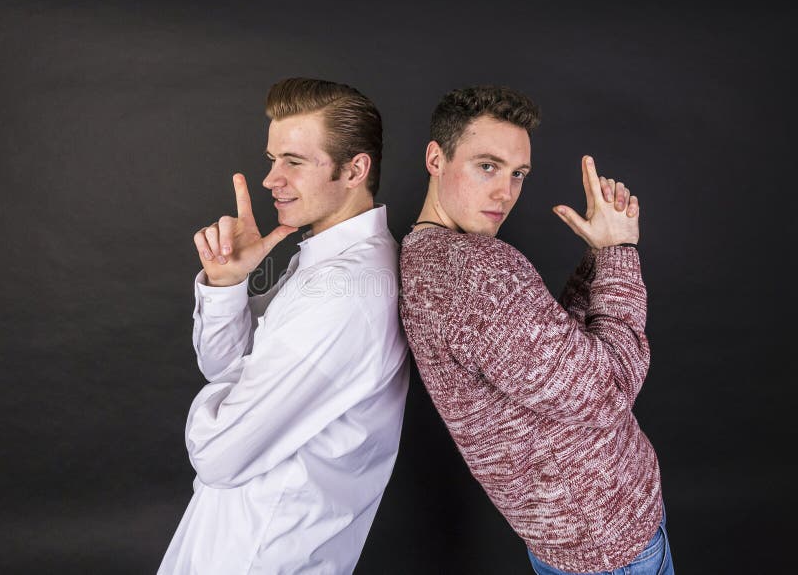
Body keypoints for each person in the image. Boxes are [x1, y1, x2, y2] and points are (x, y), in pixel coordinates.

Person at [398, 86, 674, 574]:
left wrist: (597, 258)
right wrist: (619, 252)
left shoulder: (426, 255)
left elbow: (551, 350)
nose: (505, 192)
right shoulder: (475, 270)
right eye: (487, 166)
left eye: (517, 174)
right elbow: (606, 390)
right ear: (436, 158)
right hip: (609, 543)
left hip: (573, 535)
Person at [159, 78, 410, 574]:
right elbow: (225, 364)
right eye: (272, 160)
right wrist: (226, 283)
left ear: (355, 169)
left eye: (293, 162)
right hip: (234, 535)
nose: (272, 180)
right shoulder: (323, 262)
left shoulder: (347, 293)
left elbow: (218, 454)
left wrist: (229, 398)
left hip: (264, 552)